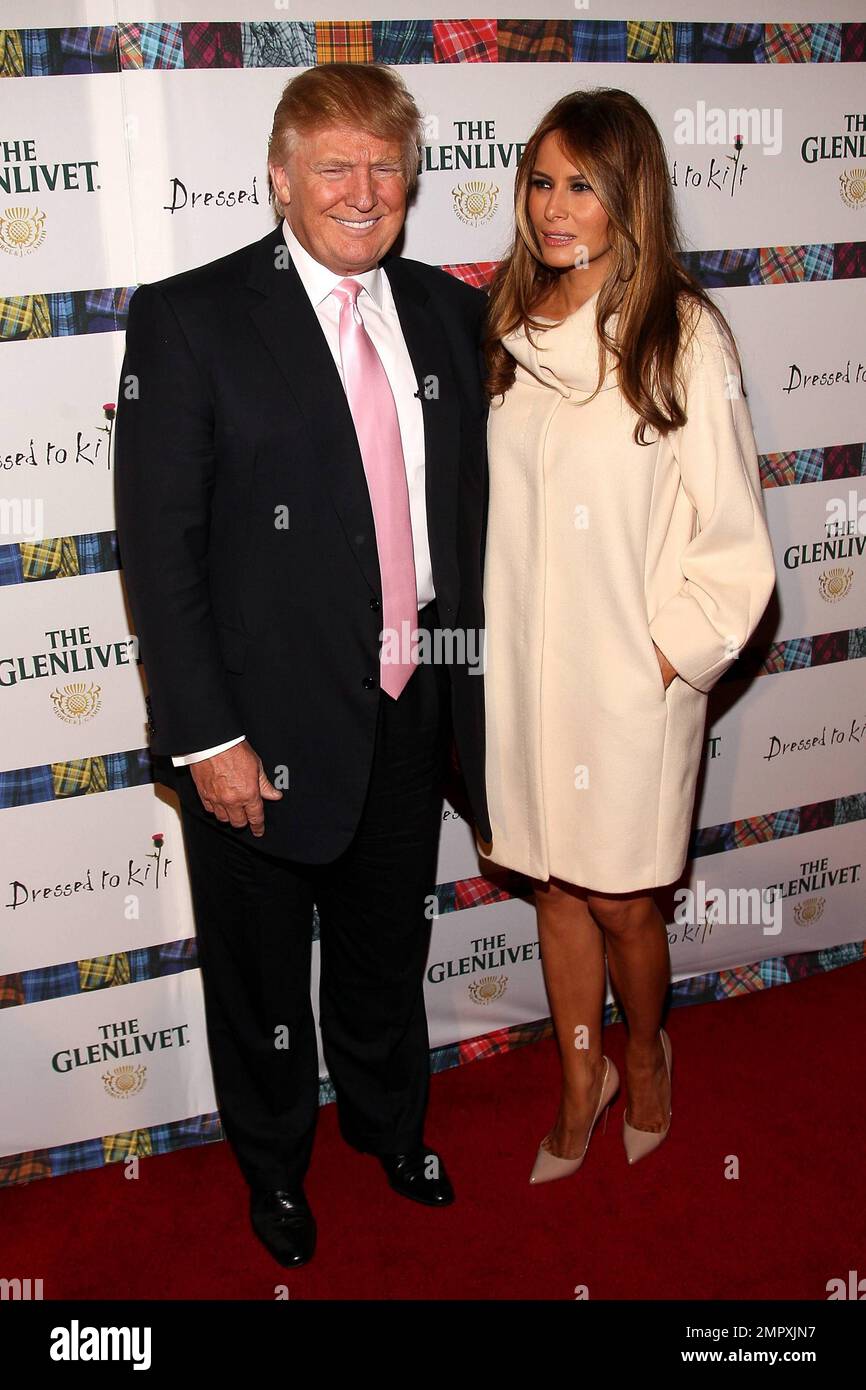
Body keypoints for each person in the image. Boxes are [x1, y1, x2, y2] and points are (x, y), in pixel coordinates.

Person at [114, 63, 491, 1266]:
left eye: (386, 165)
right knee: (262, 979)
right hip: (254, 729)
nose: (362, 189)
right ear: (278, 177)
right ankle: (274, 1170)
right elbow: (159, 550)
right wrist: (204, 736)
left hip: (410, 698)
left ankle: (389, 1126)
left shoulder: (446, 312)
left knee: (389, 948)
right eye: (333, 163)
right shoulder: (188, 318)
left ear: (413, 177)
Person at [478, 88, 776, 1182]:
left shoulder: (681, 335)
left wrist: (662, 660)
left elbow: (735, 547)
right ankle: (577, 1076)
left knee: (620, 899)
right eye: (541, 181)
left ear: (627, 196)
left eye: (583, 186)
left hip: (630, 685)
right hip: (521, 678)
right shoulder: (506, 332)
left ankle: (642, 1052)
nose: (554, 208)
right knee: (554, 889)